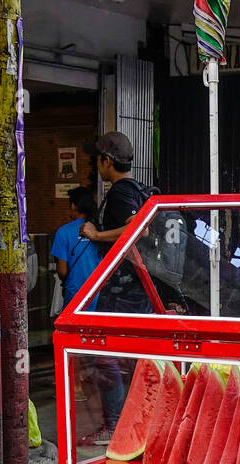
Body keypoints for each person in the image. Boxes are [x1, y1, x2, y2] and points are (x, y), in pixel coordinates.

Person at [76, 131, 148, 445]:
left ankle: (115, 426)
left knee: (106, 355)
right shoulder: (137, 189)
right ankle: (134, 422)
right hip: (136, 288)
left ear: (107, 161)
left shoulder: (120, 192)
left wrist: (95, 235)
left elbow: (138, 230)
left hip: (123, 289)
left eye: (97, 160)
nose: (96, 166)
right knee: (128, 356)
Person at [50, 186, 102, 311]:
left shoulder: (63, 232)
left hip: (75, 296)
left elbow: (62, 271)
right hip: (99, 294)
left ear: (74, 206)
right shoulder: (101, 230)